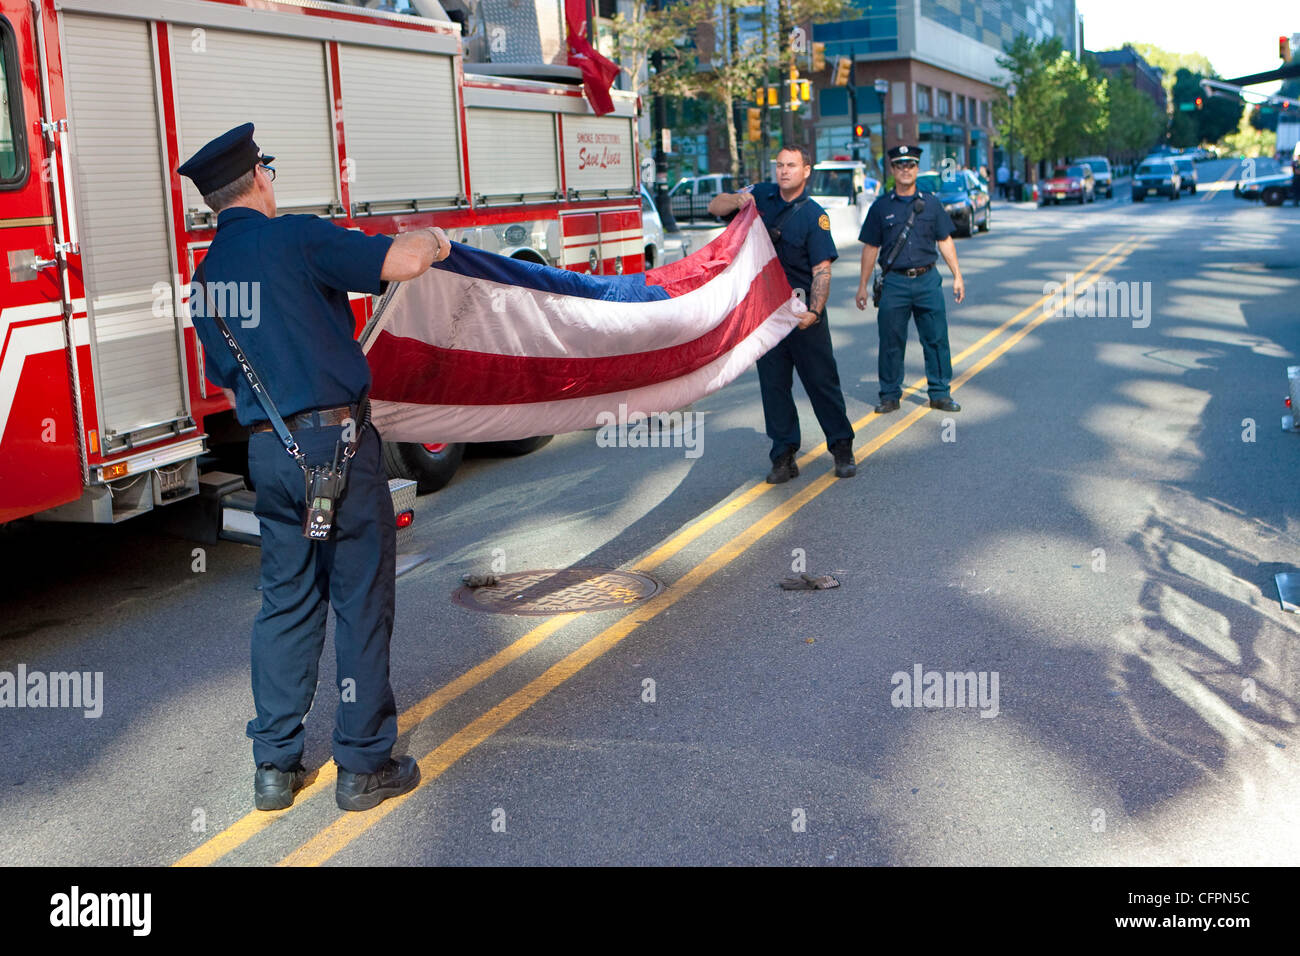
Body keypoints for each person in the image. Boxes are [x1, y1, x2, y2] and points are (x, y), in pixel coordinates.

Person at [178, 124, 451, 812]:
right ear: (261, 176)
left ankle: (275, 766)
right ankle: (362, 766)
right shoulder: (297, 237)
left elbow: (223, 376)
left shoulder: (206, 278)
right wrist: (438, 240)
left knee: (286, 601)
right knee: (358, 599)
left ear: (215, 201)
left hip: (272, 454)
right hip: (338, 448)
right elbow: (405, 260)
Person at [708, 145, 856, 483]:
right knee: (773, 387)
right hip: (767, 314)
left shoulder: (815, 216)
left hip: (803, 312)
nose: (783, 171)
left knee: (822, 383)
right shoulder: (760, 195)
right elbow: (717, 205)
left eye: (791, 165)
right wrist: (737, 201)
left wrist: (814, 313)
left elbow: (822, 271)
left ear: (806, 171)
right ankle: (783, 456)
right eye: (779, 165)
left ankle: (842, 447)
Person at [854, 144, 965, 415]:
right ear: (892, 170)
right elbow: (870, 247)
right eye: (900, 165)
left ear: (917, 169)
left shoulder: (932, 204)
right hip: (895, 283)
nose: (906, 169)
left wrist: (957, 276)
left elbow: (945, 240)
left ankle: (940, 393)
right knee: (891, 340)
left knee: (937, 338)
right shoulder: (881, 207)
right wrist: (863, 286)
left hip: (928, 280)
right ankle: (890, 395)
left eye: (911, 165)